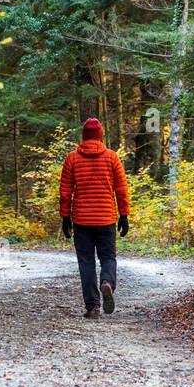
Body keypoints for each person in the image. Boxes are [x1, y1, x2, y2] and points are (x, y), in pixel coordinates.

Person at [58, 117, 130, 318]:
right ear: (100, 136)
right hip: (106, 218)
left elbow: (65, 192)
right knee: (108, 257)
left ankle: (93, 307)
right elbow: (122, 190)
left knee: (86, 262)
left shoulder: (72, 158)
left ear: (84, 136)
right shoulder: (112, 157)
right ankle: (107, 283)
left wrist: (65, 218)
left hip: (81, 220)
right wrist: (124, 215)